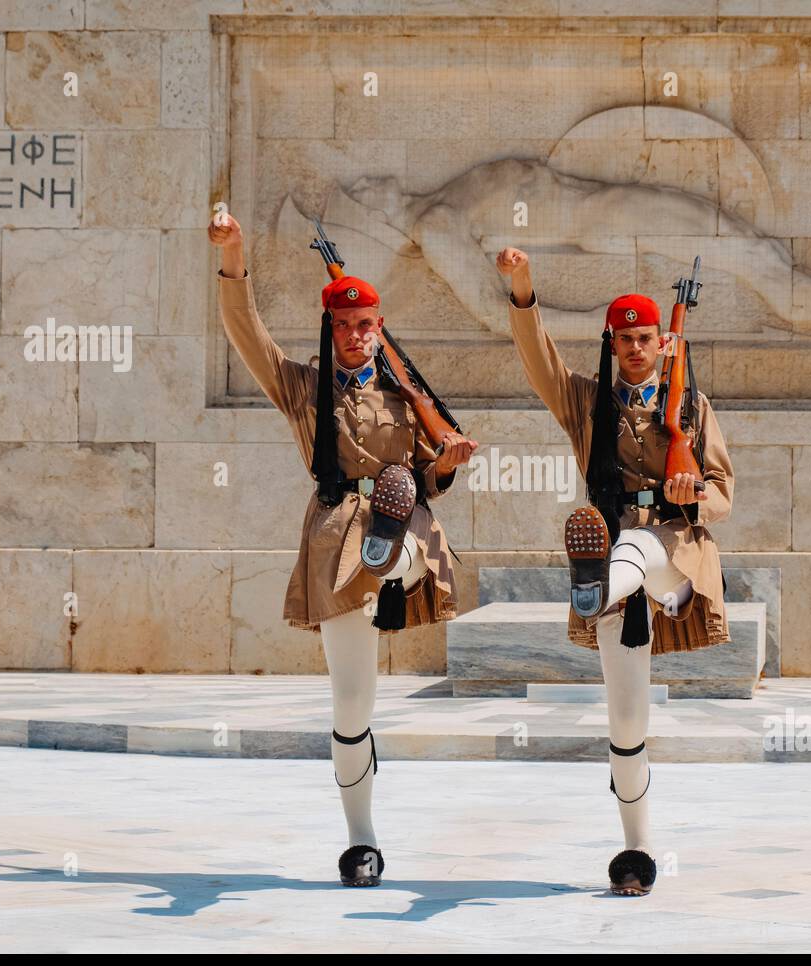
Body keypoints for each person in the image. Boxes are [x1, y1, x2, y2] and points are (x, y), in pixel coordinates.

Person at [210, 211, 476, 887]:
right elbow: (247, 333)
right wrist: (235, 256)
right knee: (353, 706)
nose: (358, 336)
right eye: (346, 325)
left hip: (401, 518)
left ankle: (391, 561)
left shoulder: (402, 393)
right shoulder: (303, 387)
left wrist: (445, 460)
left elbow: (428, 475)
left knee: (403, 514)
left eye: (368, 324)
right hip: (337, 539)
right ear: (330, 329)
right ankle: (362, 840)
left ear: (378, 328)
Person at [497, 246, 735, 896]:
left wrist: (692, 493)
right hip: (610, 551)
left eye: (645, 338)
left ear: (663, 342)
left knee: (637, 554)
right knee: (626, 725)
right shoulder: (588, 402)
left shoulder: (691, 406)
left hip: (671, 543)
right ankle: (637, 850)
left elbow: (723, 491)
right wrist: (523, 290)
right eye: (624, 339)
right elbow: (538, 359)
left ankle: (616, 584)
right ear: (613, 342)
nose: (635, 348)